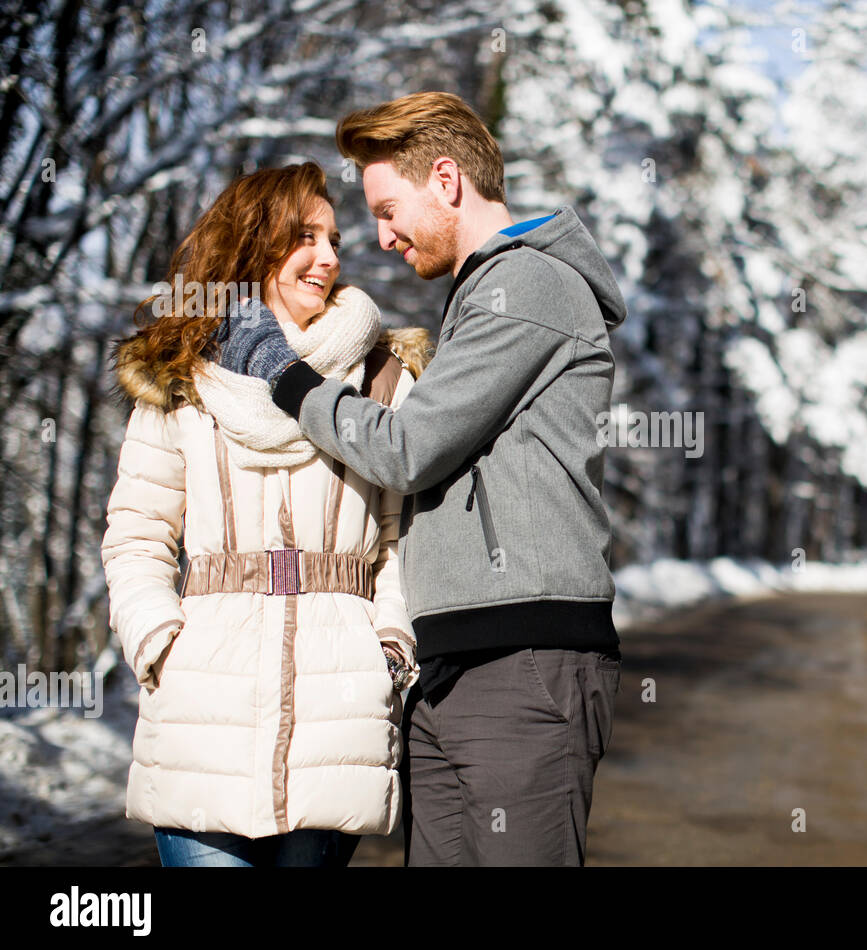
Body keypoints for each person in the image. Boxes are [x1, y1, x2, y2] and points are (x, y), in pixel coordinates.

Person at [215, 91, 627, 866]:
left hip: (523, 658)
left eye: (387, 208)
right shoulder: (482, 296)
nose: (381, 236)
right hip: (456, 666)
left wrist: (286, 375)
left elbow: (407, 448)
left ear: (445, 179)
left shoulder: (529, 286)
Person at [101, 161, 428, 867]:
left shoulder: (379, 380)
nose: (331, 257)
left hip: (336, 715)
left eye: (335, 238)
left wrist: (389, 650)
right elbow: (137, 535)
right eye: (306, 237)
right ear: (254, 246)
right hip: (201, 711)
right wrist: (160, 643)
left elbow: (406, 541)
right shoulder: (179, 374)